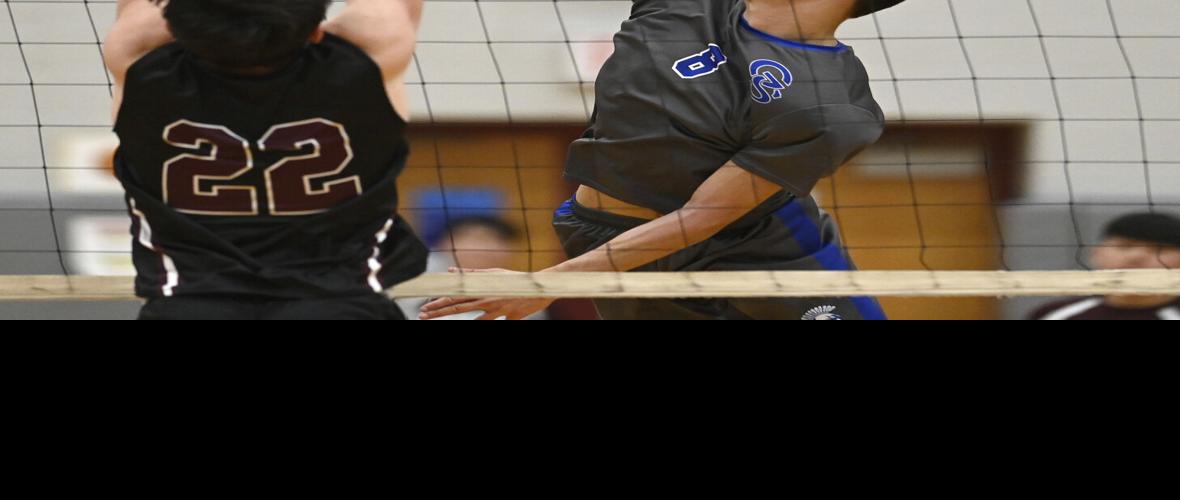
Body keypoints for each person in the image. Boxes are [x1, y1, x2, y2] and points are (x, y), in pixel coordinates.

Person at [421, 0, 908, 321]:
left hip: (759, 244)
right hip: (608, 233)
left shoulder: (833, 105)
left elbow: (703, 217)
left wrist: (545, 283)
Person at [104, 0, 427, 320]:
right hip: (339, 303)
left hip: (188, 304)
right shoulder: (368, 53)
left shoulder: (139, 59)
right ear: (316, 31)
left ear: (174, 26)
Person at [1030, 213, 1180, 321]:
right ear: (1096, 253)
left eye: (1159, 249)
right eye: (1124, 246)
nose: (1136, 257)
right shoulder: (1053, 314)